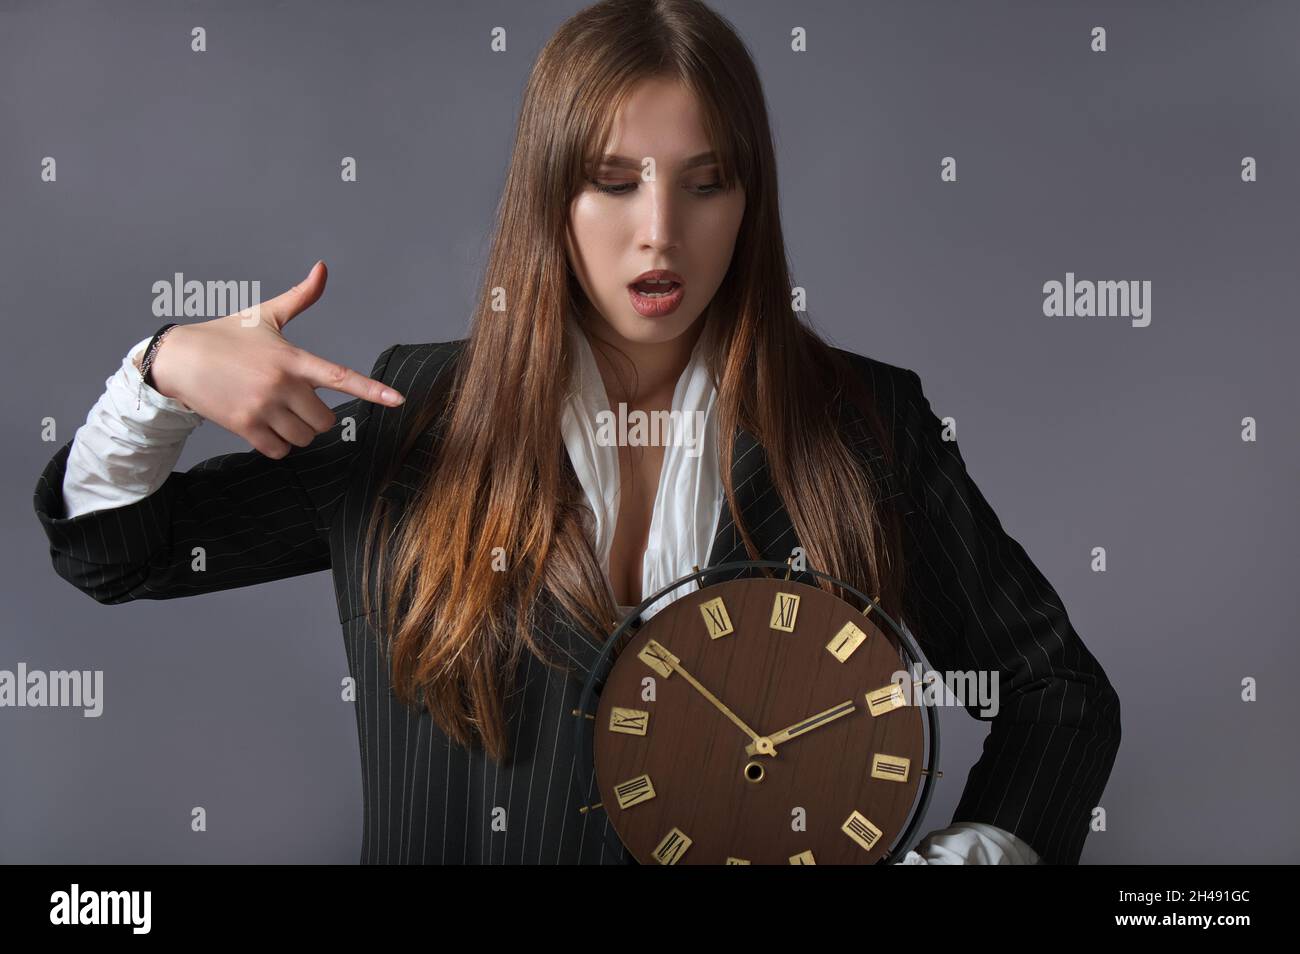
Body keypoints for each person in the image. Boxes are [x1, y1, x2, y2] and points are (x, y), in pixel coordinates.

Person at [33, 0, 1119, 865]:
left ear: (750, 203)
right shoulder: (413, 421)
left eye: (705, 184)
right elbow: (118, 558)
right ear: (548, 197)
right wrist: (163, 369)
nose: (660, 232)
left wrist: (983, 856)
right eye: (611, 183)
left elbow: (1056, 692)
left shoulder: (865, 424)